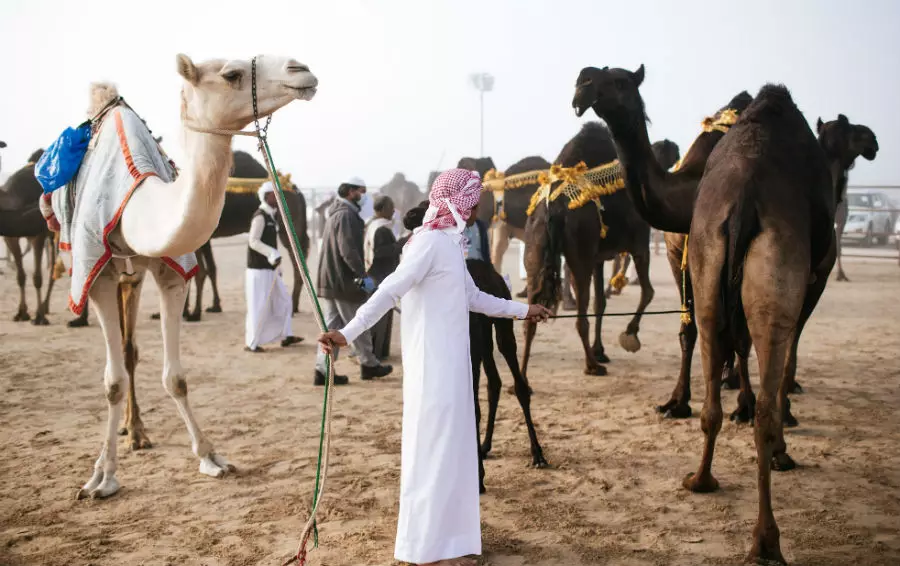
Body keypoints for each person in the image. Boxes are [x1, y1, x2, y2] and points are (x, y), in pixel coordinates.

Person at [319, 169, 552, 566]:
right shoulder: (428, 243)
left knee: (454, 453)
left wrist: (523, 310)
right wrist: (348, 331)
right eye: (473, 200)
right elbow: (390, 288)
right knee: (434, 453)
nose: (477, 208)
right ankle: (427, 550)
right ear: (456, 202)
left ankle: (451, 544)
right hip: (433, 369)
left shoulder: (448, 244)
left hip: (452, 367)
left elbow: (473, 297)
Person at [315, 176, 393, 386]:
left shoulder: (338, 213)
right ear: (351, 192)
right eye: (361, 191)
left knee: (332, 326)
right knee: (357, 323)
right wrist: (362, 276)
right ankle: (368, 363)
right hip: (342, 281)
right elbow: (347, 250)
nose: (363, 196)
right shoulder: (346, 215)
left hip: (332, 279)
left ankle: (322, 369)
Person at [244, 181, 304, 353]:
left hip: (271, 269)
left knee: (284, 301)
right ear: (266, 196)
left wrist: (276, 263)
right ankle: (252, 343)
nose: (277, 198)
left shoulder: (271, 216)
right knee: (259, 307)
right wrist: (272, 254)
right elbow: (253, 241)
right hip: (258, 270)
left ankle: (286, 335)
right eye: (274, 195)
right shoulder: (260, 216)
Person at [364, 195, 407, 359]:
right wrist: (402, 243)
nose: (393, 211)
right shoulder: (381, 228)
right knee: (379, 317)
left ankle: (377, 352)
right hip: (379, 276)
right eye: (390, 208)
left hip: (375, 275)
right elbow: (381, 252)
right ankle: (377, 353)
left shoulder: (372, 224)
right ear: (382, 210)